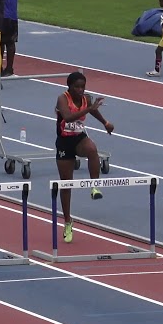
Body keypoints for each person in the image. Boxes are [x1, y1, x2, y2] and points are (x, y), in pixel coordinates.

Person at [54, 71, 113, 243]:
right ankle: (67, 221)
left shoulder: (86, 98)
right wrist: (89, 108)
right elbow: (68, 116)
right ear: (69, 87)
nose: (80, 90)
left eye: (83, 87)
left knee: (92, 149)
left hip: (79, 139)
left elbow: (93, 112)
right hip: (64, 142)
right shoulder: (62, 99)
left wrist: (106, 123)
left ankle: (95, 186)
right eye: (77, 87)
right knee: (66, 185)